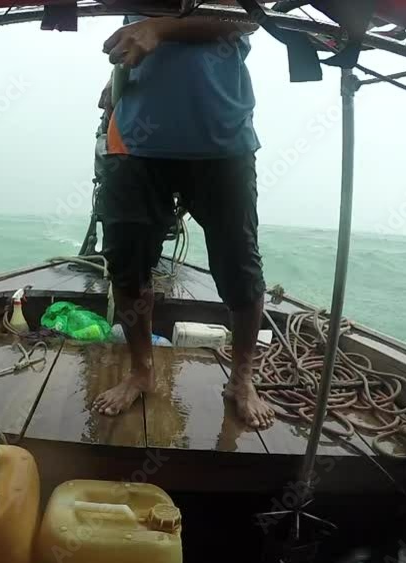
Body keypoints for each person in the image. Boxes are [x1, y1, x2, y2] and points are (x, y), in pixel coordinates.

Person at [91, 8, 277, 429]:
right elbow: (138, 37)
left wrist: (160, 27)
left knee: (240, 267)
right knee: (127, 264)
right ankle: (141, 370)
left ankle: (242, 379)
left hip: (220, 144)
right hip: (134, 143)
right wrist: (113, 79)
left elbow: (246, 19)